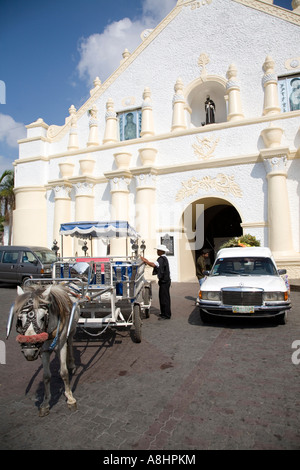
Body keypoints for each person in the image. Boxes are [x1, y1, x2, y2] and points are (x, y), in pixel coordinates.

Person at [141, 244, 172, 319]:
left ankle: (166, 315)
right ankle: (164, 313)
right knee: (163, 297)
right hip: (165, 281)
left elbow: (153, 265)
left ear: (161, 251)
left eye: (158, 250)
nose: (157, 251)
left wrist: (146, 261)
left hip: (164, 281)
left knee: (164, 297)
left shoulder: (161, 259)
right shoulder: (163, 258)